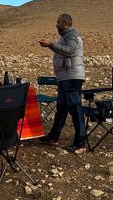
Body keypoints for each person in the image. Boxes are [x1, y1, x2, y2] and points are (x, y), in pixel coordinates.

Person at [37, 13, 87, 153]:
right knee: (62, 107)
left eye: (58, 21)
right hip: (65, 77)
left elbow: (70, 51)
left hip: (72, 77)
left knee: (75, 109)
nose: (56, 24)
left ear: (65, 23)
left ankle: (80, 142)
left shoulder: (71, 36)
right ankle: (53, 137)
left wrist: (50, 45)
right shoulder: (65, 37)